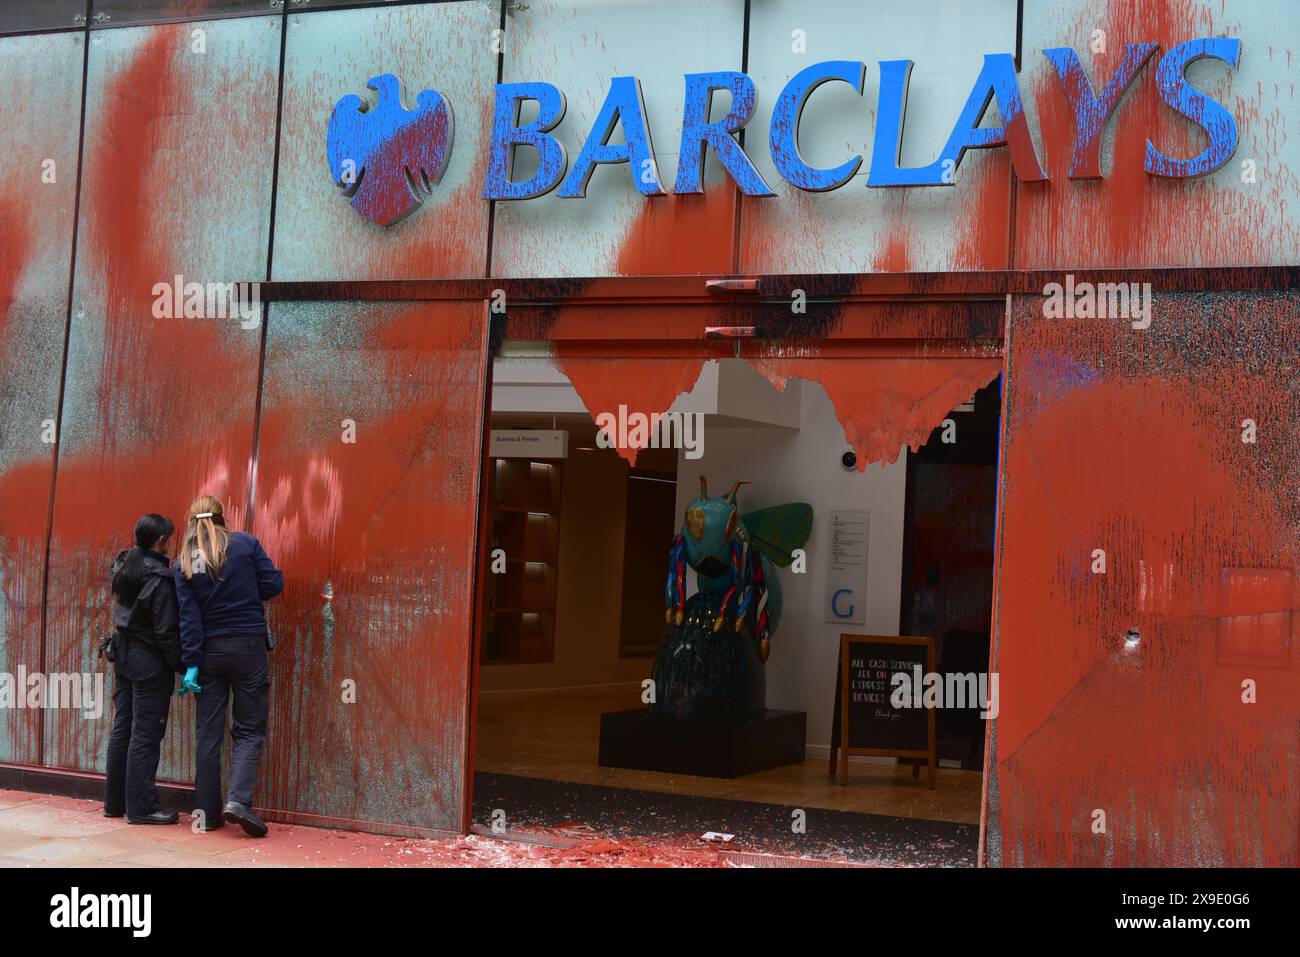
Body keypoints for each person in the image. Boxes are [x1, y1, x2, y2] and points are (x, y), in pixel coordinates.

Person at [174, 494, 284, 837]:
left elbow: (188, 618)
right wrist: (247, 591)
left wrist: (191, 663)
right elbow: (273, 584)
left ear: (191, 520)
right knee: (249, 728)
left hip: (207, 654)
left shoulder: (183, 563)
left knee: (208, 732)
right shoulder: (245, 544)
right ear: (224, 517)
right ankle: (238, 800)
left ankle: (206, 814)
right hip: (248, 646)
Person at [105, 513, 182, 825]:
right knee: (146, 733)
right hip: (149, 661)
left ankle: (115, 803)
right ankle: (142, 808)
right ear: (161, 541)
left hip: (122, 656)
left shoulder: (123, 564)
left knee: (123, 727)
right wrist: (182, 665)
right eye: (169, 541)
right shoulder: (160, 578)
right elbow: (165, 631)